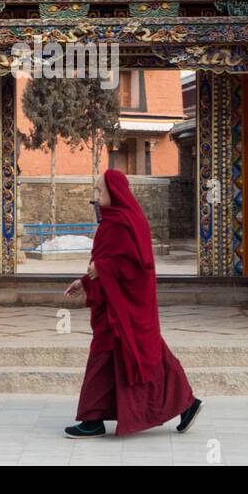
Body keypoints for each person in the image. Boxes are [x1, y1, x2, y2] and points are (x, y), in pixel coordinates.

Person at [64, 168, 203, 438]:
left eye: (100, 190)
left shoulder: (124, 221)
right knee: (145, 351)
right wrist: (86, 281)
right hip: (115, 302)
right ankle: (186, 403)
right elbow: (107, 261)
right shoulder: (114, 220)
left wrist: (101, 269)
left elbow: (137, 265)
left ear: (114, 191)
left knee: (117, 354)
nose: (97, 195)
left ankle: (93, 420)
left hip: (127, 304)